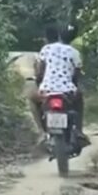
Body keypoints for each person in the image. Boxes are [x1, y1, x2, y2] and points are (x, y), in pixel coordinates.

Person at [33, 23, 87, 155]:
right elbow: (77, 74)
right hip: (67, 90)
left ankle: (40, 131)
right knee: (79, 101)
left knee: (32, 101)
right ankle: (79, 130)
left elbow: (40, 70)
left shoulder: (47, 49)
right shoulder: (75, 53)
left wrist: (39, 80)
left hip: (47, 89)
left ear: (58, 35)